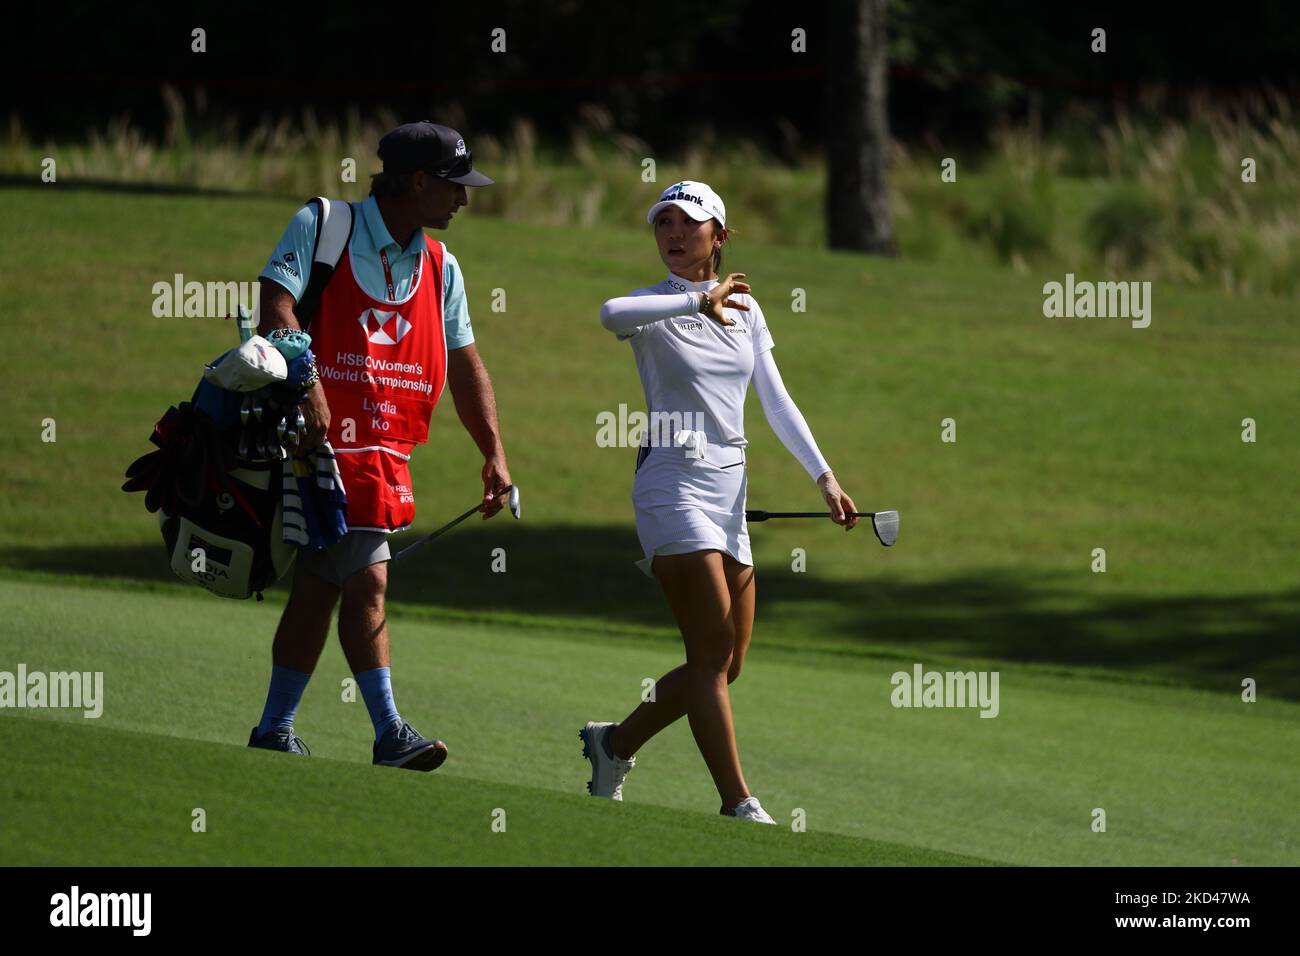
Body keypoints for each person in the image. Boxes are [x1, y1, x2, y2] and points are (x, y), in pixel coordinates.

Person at [583, 181, 859, 822]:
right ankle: (739, 803)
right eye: (663, 224)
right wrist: (698, 300)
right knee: (708, 654)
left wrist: (824, 477)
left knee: (726, 663)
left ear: (720, 236)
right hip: (670, 486)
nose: (673, 234)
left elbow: (776, 400)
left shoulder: (748, 312)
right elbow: (607, 315)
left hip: (729, 494)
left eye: (689, 224)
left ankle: (613, 744)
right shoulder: (652, 306)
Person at [248, 121, 513, 770]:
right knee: (369, 576)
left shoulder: (442, 265)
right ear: (417, 181)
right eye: (455, 186)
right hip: (313, 443)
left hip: (386, 452)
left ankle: (273, 728)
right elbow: (274, 306)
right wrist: (306, 381)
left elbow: (466, 362)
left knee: (319, 586)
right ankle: (391, 732)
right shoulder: (325, 223)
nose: (465, 199)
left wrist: (495, 453)